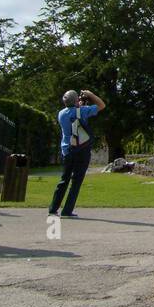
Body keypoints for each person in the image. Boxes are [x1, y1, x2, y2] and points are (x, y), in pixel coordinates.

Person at [48, 88, 105, 219]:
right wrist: (90, 94)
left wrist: (78, 105)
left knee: (64, 180)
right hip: (81, 149)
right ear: (76, 101)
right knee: (76, 181)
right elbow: (101, 105)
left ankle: (53, 208)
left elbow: (72, 114)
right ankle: (67, 210)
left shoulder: (61, 113)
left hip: (67, 150)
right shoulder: (83, 111)